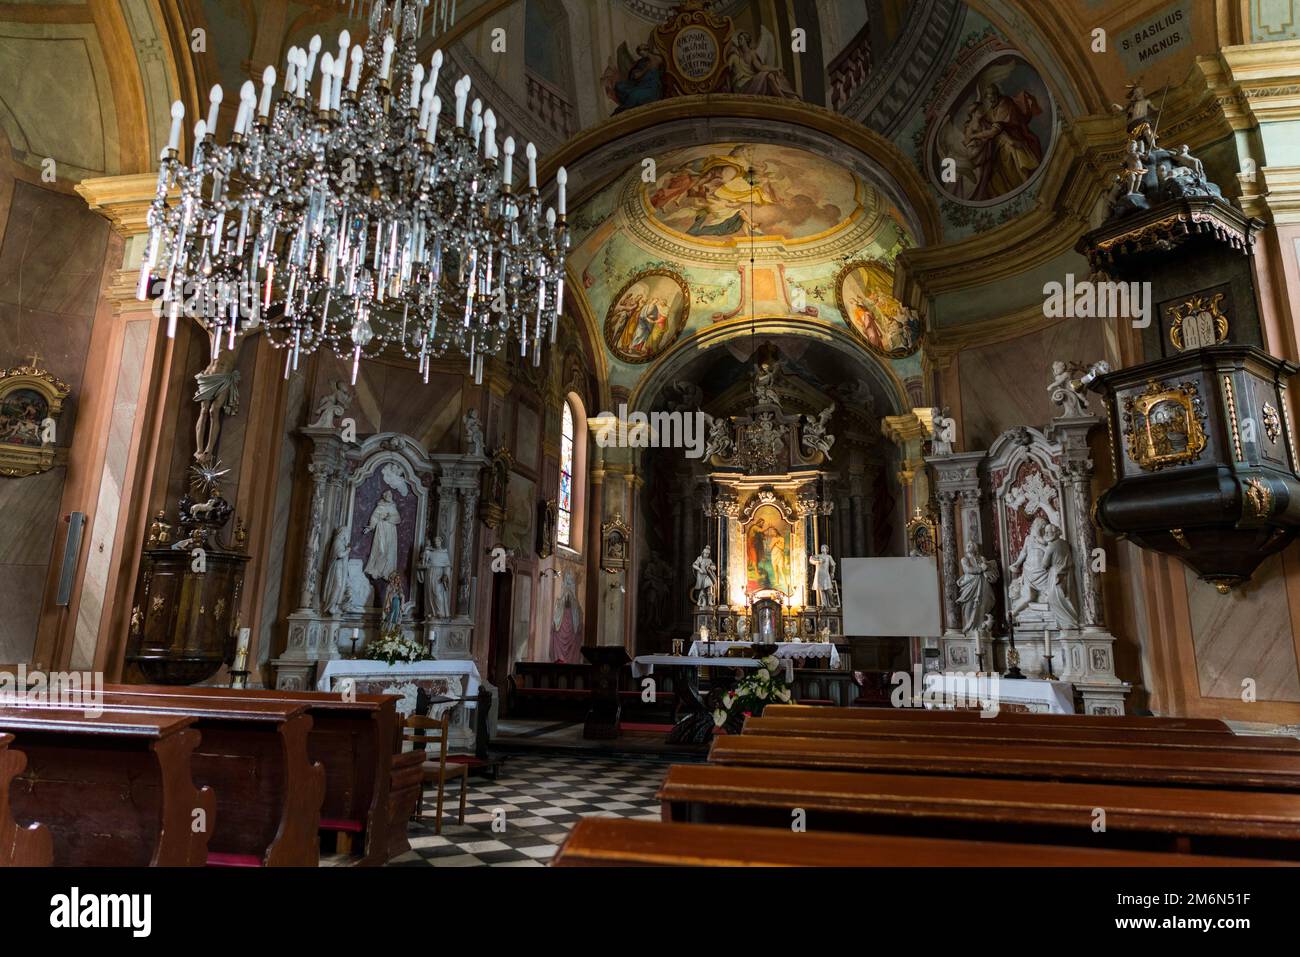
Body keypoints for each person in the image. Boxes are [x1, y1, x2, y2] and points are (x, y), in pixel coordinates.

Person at [956, 542, 998, 634]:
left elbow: (989, 568)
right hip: (969, 585)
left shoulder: (981, 558)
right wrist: (981, 569)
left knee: (983, 602)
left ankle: (980, 625)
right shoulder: (964, 559)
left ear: (975, 547)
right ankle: (969, 625)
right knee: (968, 604)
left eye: (970, 545)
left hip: (982, 583)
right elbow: (968, 570)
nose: (968, 546)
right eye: (967, 545)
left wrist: (987, 567)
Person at [364, 490, 402, 582]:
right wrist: (371, 526)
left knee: (389, 552)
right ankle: (376, 570)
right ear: (384, 496)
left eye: (390, 495)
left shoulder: (393, 506)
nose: (390, 496)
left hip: (391, 531)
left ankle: (387, 572)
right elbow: (374, 517)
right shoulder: (380, 506)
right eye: (388, 495)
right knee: (380, 549)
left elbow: (398, 519)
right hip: (381, 529)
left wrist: (390, 518)